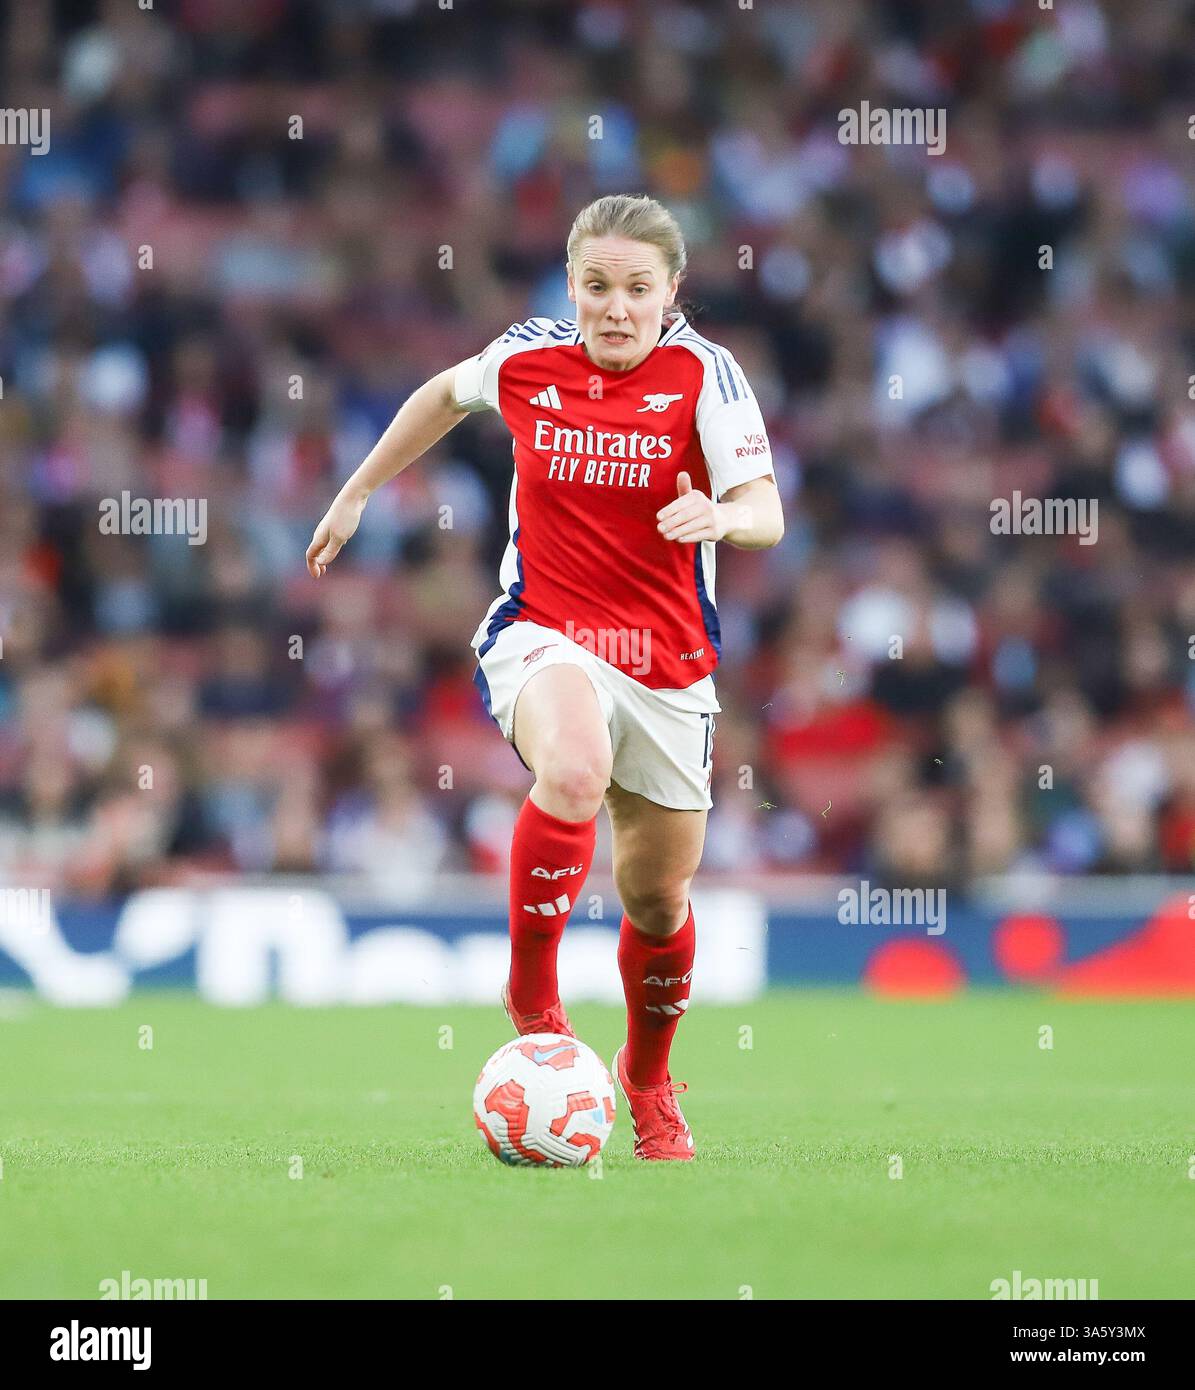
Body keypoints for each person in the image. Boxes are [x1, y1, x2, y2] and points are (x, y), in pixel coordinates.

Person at [307, 194, 784, 1159]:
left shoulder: (706, 375)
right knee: (569, 771)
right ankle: (533, 993)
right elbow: (442, 395)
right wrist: (359, 490)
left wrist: (722, 521)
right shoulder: (527, 356)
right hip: (546, 629)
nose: (615, 308)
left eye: (636, 290)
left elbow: (764, 507)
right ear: (570, 287)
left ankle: (646, 1079)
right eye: (597, 286)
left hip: (667, 667)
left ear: (670, 294)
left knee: (658, 902)